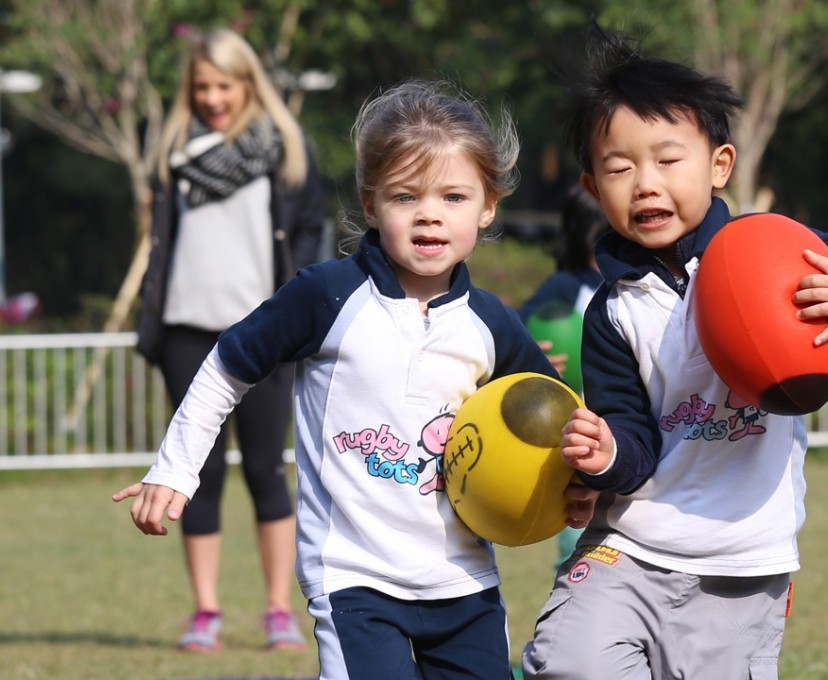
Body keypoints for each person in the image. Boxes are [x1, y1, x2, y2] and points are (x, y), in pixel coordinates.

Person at [115, 78, 596, 680]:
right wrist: (176, 467)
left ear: (488, 206)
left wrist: (581, 484)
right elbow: (226, 367)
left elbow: (556, 429)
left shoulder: (492, 323)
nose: (429, 214)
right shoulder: (326, 296)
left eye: (453, 197)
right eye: (404, 196)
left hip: (464, 579)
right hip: (354, 580)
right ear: (371, 205)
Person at [521, 23, 828, 680]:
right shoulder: (613, 309)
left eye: (667, 159)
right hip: (632, 545)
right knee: (569, 661)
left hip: (743, 564)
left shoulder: (774, 246)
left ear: (719, 166)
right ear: (594, 190)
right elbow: (634, 439)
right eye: (620, 169)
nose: (646, 184)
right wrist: (606, 455)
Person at [132, 28, 325, 652]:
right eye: (201, 87)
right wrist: (151, 324)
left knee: (268, 471)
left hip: (262, 336)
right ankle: (206, 611)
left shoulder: (284, 151)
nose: (213, 97)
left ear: (248, 84)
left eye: (224, 85)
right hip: (187, 329)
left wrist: (294, 307)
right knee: (200, 475)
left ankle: (277, 611)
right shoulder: (174, 154)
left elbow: (311, 231)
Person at [518, 184, 611, 573]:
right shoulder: (565, 287)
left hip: (626, 430)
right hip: (581, 432)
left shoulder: (638, 280)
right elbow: (521, 334)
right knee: (580, 535)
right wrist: (538, 358)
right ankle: (571, 594)